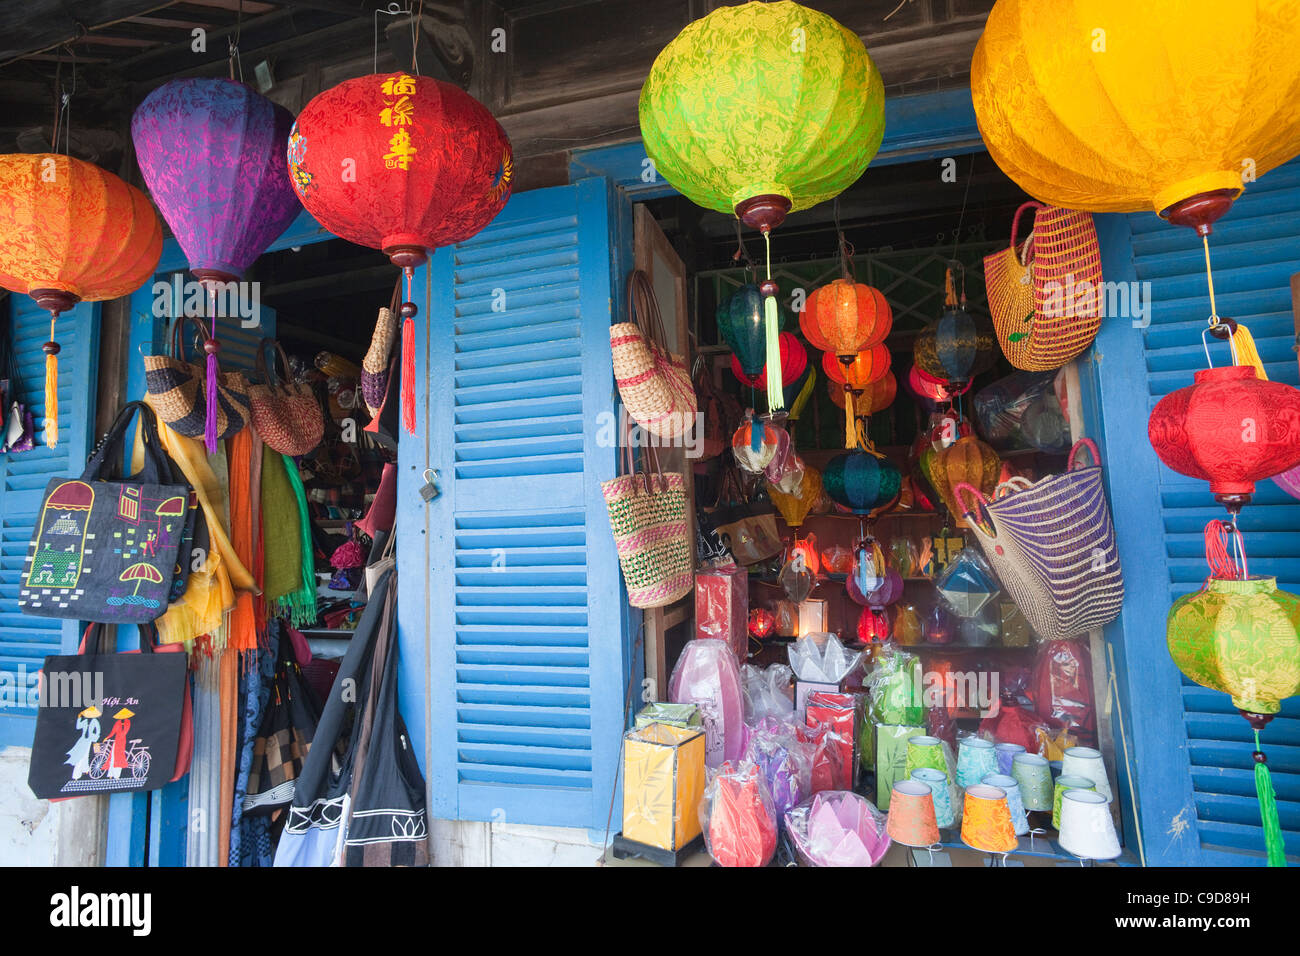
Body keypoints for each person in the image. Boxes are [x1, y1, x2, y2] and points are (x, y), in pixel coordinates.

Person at [65, 706, 101, 780]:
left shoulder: (95, 722)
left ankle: (76, 775)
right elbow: (78, 727)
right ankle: (85, 769)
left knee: (82, 755)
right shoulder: (85, 721)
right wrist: (79, 717)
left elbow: (97, 732)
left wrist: (94, 739)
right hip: (82, 739)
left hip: (89, 740)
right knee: (83, 754)